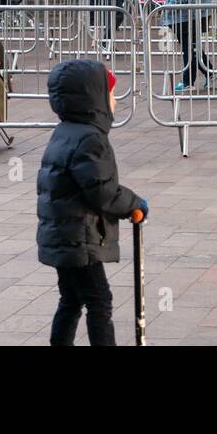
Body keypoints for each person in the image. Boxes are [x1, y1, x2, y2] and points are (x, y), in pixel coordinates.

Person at [37, 59, 146, 346]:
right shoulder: (90, 140)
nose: (113, 101)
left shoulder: (64, 131)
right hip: (79, 239)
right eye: (109, 93)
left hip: (63, 235)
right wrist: (135, 203)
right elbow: (102, 191)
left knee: (71, 298)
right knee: (100, 301)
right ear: (93, 98)